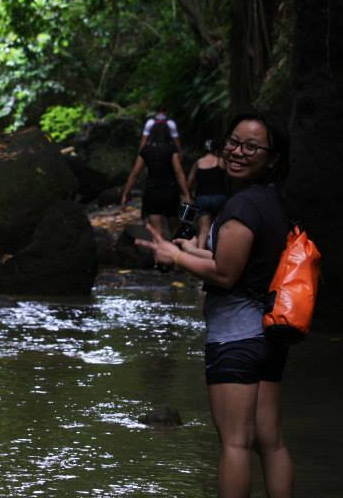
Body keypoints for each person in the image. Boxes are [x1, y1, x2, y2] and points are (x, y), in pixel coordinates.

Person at [136, 112, 293, 498]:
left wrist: (175, 260)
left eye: (251, 146)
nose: (239, 152)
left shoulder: (241, 209)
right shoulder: (272, 202)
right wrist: (187, 250)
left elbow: (225, 275)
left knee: (236, 444)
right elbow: (240, 264)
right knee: (270, 443)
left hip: (236, 341)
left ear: (272, 158)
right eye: (234, 142)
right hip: (269, 336)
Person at [120, 120, 190, 239]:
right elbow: (178, 172)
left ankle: (158, 256)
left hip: (152, 192)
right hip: (170, 191)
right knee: (175, 229)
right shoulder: (171, 149)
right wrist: (186, 193)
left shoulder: (146, 150)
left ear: (152, 134)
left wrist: (126, 193)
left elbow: (135, 173)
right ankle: (176, 255)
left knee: (156, 233)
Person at [186, 139, 229, 249]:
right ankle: (218, 252)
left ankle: (199, 251)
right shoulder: (220, 161)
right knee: (220, 227)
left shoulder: (198, 163)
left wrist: (190, 196)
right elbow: (229, 179)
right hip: (220, 197)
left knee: (204, 229)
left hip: (202, 198)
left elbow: (189, 183)